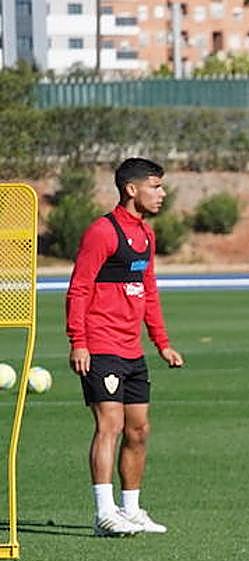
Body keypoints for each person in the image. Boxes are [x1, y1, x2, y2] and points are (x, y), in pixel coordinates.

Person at [65, 157, 183, 538]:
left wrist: (162, 343)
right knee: (110, 425)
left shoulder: (147, 236)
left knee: (139, 430)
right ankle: (104, 513)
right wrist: (78, 342)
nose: (162, 193)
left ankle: (130, 510)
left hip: (133, 351)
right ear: (131, 189)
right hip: (101, 345)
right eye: (155, 185)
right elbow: (79, 288)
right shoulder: (103, 232)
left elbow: (149, 291)